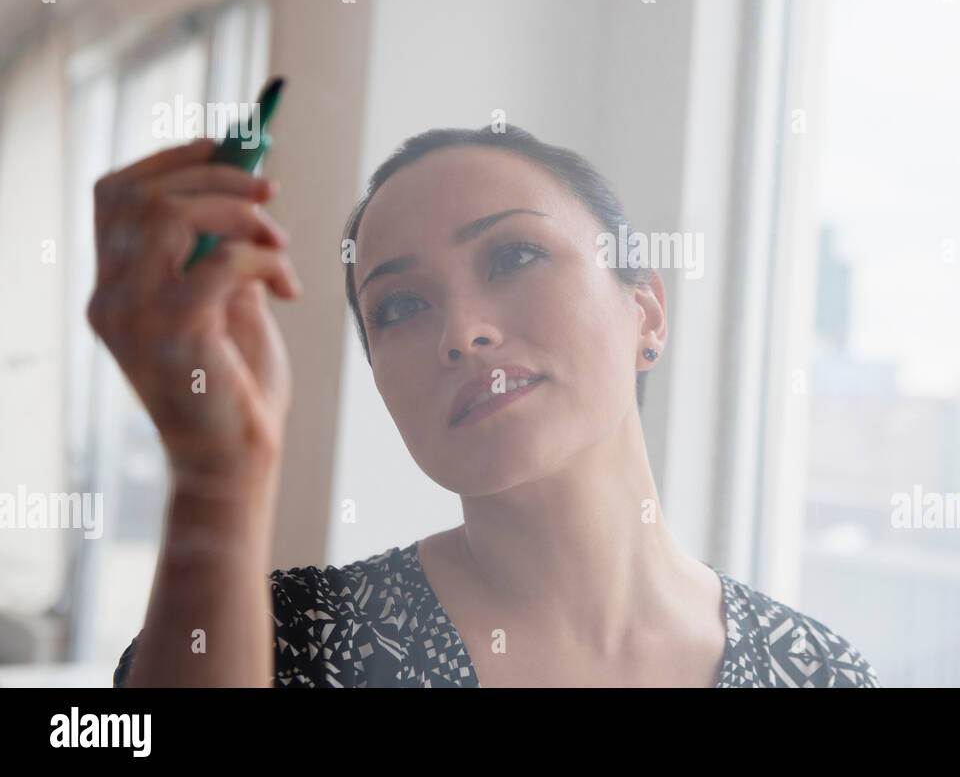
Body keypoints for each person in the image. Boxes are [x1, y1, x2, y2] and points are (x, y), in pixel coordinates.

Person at [96, 123, 881, 687]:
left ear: (646, 313)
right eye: (400, 307)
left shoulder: (818, 673)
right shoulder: (281, 646)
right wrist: (218, 471)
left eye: (513, 255)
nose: (462, 333)